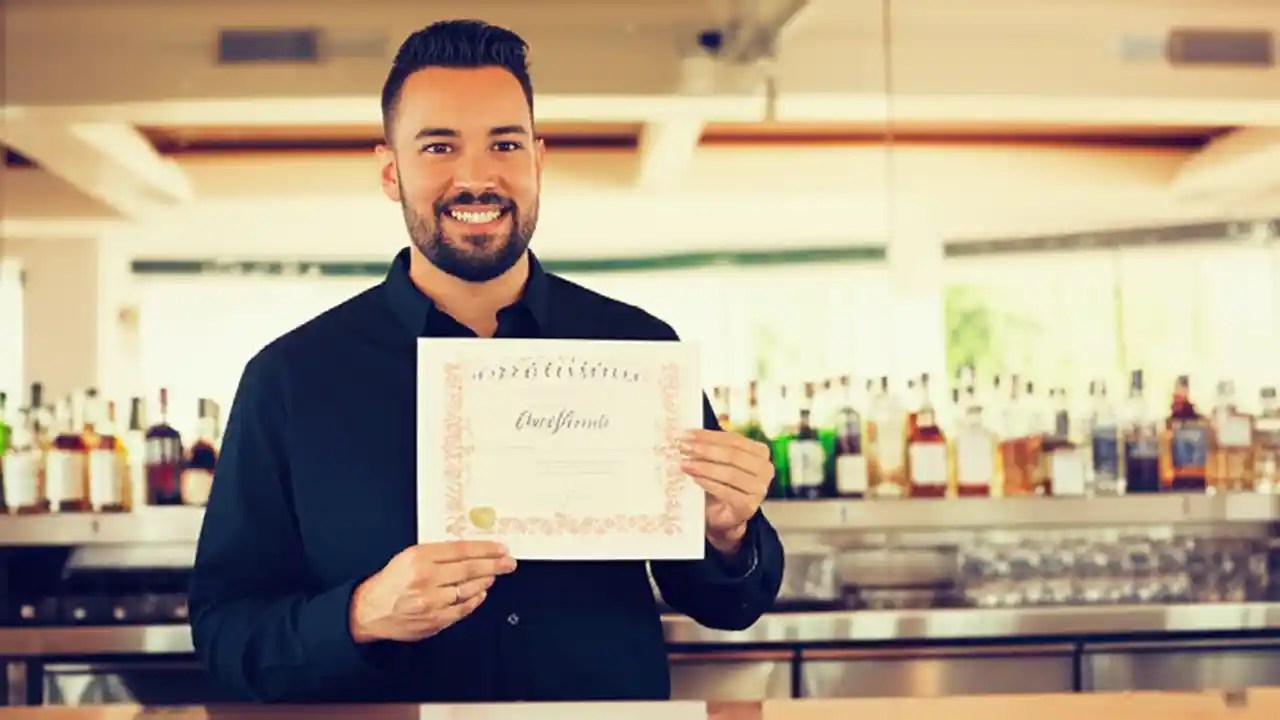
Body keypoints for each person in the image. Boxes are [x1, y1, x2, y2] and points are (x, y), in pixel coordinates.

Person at [188, 18, 785, 704]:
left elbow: (730, 606)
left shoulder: (639, 350)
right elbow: (226, 636)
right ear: (391, 171)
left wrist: (729, 532)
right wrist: (359, 616)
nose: (476, 177)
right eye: (438, 146)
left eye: (504, 143)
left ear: (538, 158)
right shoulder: (290, 380)